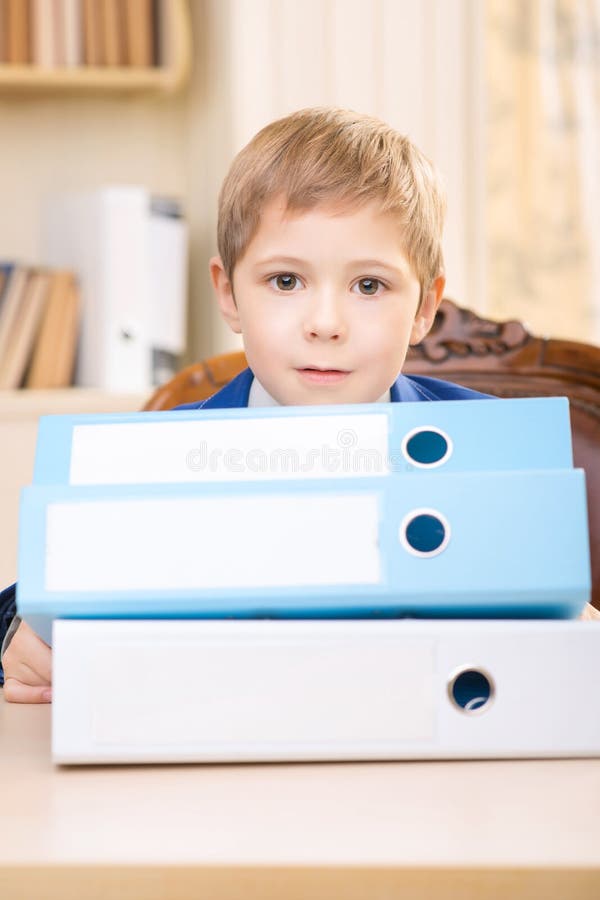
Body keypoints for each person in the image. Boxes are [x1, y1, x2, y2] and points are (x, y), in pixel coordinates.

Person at [1, 107, 597, 701]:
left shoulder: (495, 455)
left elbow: (558, 617)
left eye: (369, 285)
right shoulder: (157, 455)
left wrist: (576, 632)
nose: (325, 324)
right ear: (229, 295)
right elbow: (49, 589)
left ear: (424, 307)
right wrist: (14, 639)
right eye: (286, 281)